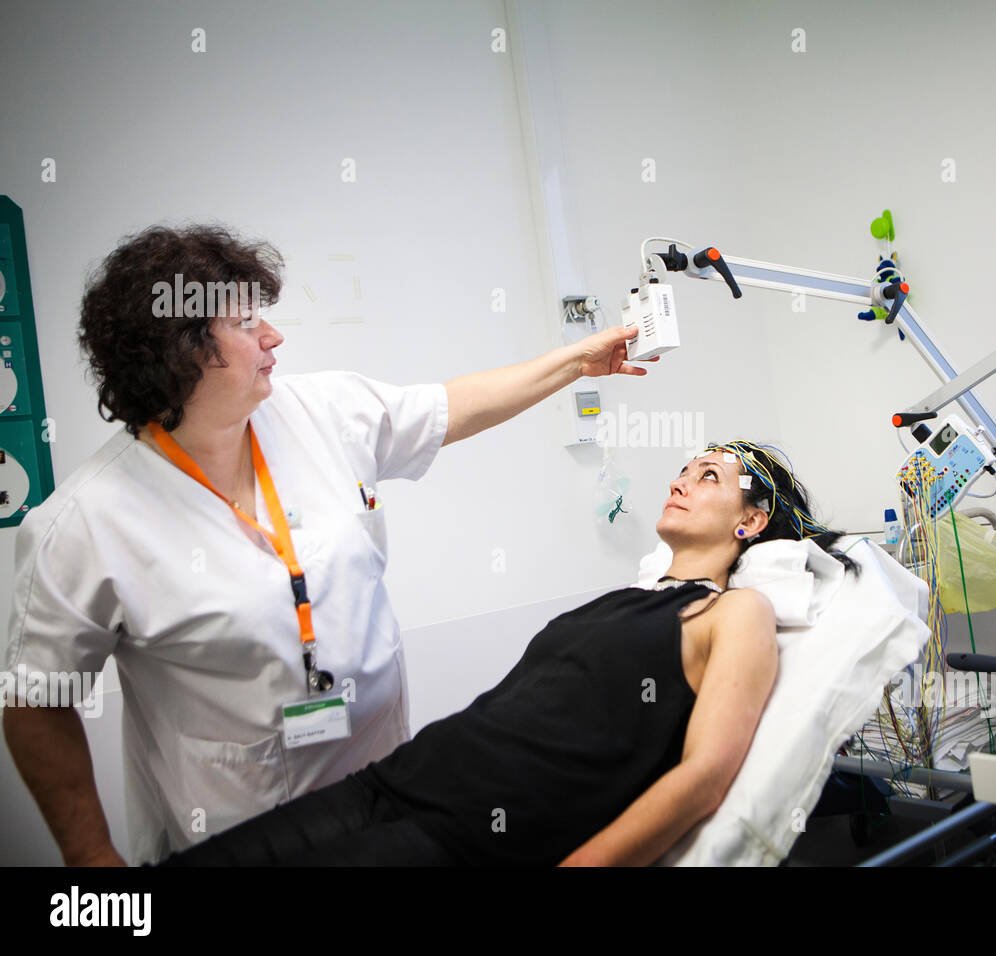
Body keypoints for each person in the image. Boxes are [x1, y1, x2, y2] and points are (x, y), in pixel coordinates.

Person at [1, 224, 652, 866]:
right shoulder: (86, 523)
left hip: (385, 802)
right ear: (182, 351)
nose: (273, 335)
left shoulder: (320, 412)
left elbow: (449, 408)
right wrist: (90, 857)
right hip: (234, 835)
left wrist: (577, 363)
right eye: (247, 323)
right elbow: (34, 700)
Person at [158, 441, 859, 866]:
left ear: (751, 520)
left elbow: (706, 776)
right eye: (683, 467)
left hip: (466, 837)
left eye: (708, 476)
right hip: (395, 781)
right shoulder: (620, 599)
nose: (680, 480)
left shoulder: (737, 612)